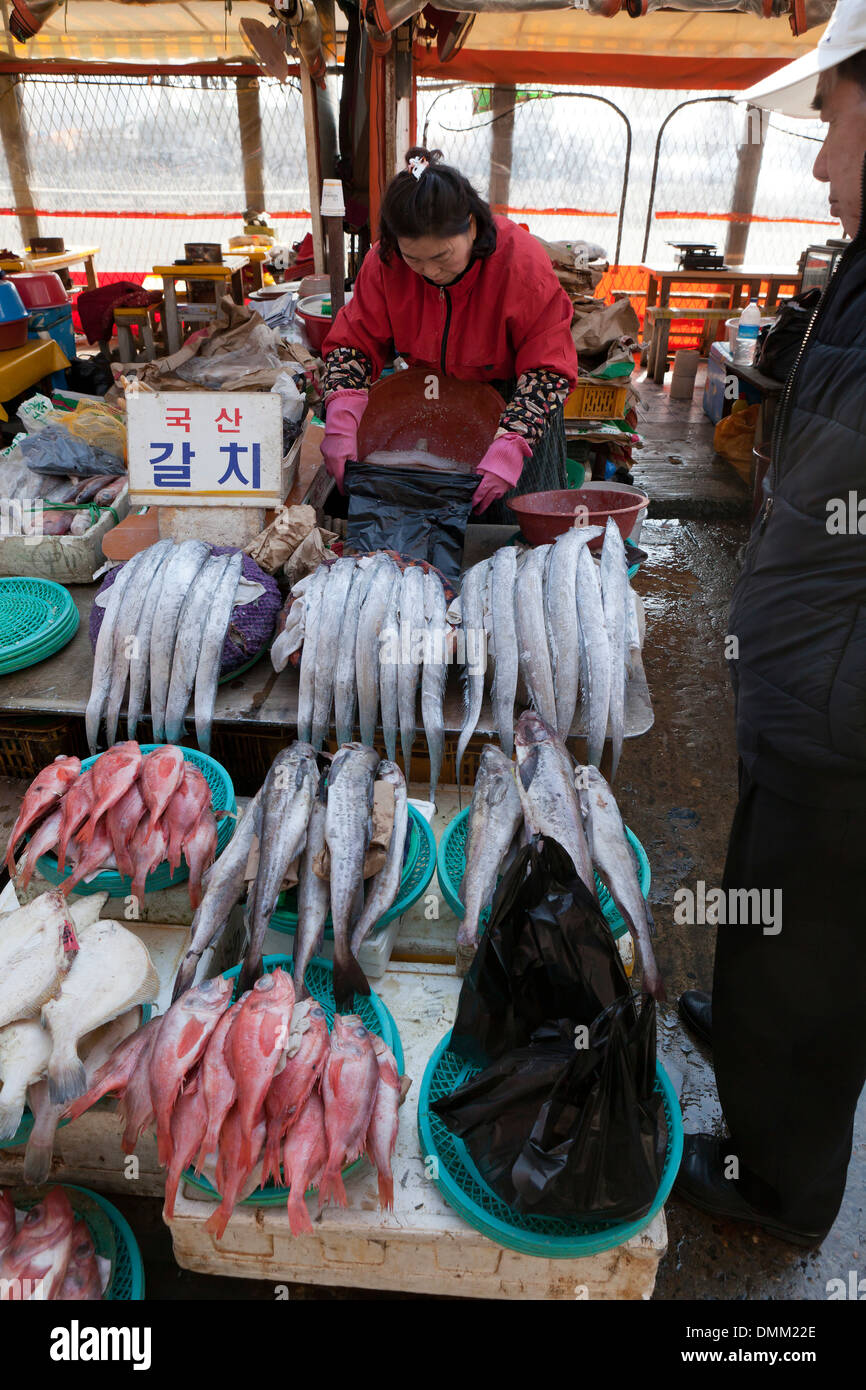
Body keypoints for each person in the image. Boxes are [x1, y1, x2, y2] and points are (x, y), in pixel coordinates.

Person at [675, 0, 866, 1247]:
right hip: (805, 692)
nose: (815, 158)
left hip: (846, 727)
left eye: (832, 119)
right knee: (762, 903)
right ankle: (738, 1025)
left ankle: (776, 1187)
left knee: (811, 960)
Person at [319, 147, 578, 520]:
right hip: (430, 392)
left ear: (471, 226)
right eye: (414, 258)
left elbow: (549, 367)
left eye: (441, 256)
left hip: (516, 398)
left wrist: (512, 442)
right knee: (432, 521)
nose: (429, 272)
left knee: (516, 529)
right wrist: (341, 410)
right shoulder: (385, 260)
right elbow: (354, 343)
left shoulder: (520, 260)